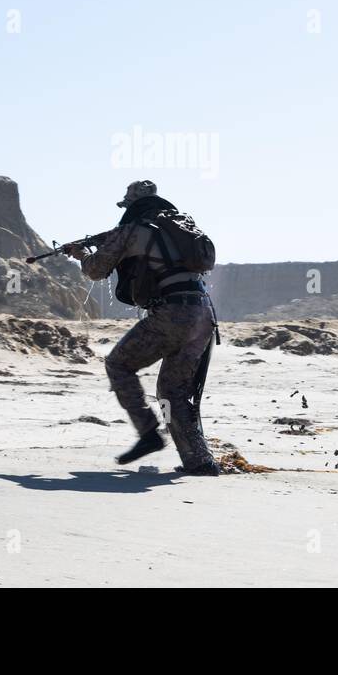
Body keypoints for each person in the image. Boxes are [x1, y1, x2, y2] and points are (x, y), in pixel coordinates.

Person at [64, 180, 221, 476]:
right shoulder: (181, 226)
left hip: (171, 313)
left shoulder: (130, 231)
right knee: (173, 391)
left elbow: (96, 270)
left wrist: (81, 254)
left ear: (132, 205)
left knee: (119, 365)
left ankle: (148, 433)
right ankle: (199, 461)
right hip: (202, 314)